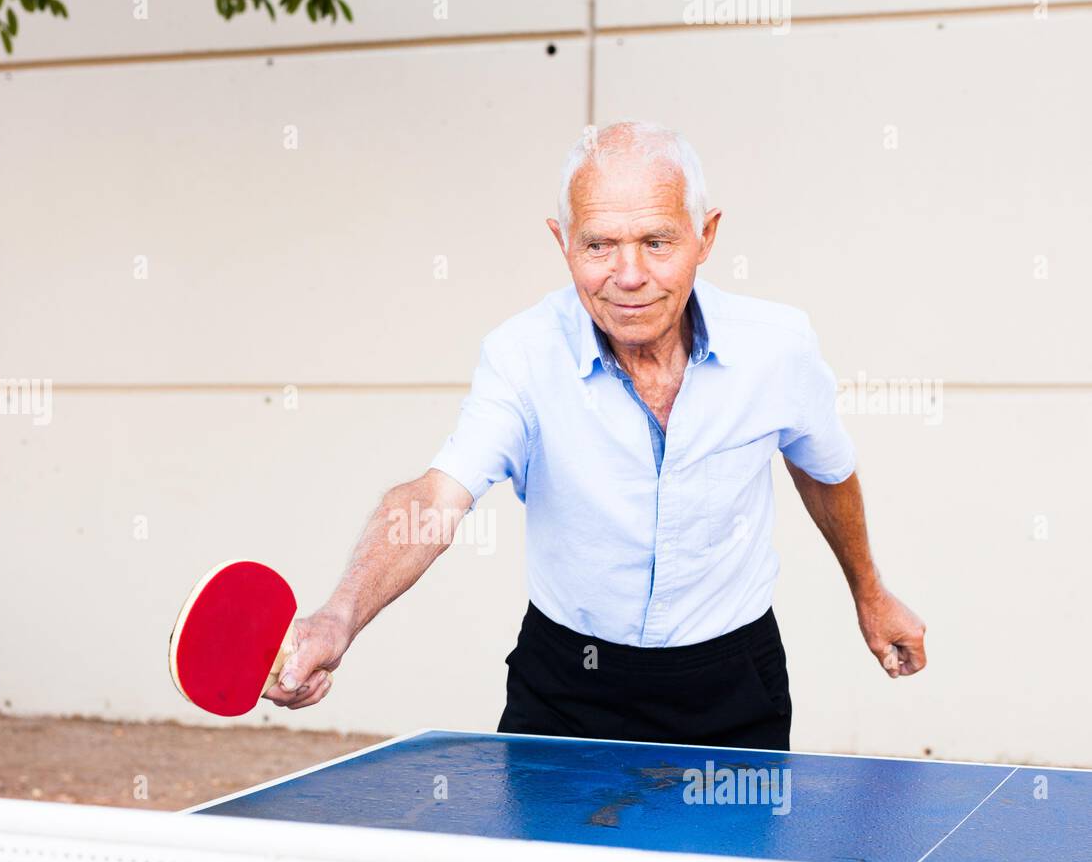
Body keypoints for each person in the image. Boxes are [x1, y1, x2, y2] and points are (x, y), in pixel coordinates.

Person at [263, 120, 926, 750]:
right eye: (598, 244)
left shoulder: (778, 348)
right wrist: (339, 615)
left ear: (706, 234)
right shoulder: (521, 355)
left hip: (731, 684)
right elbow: (436, 500)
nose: (629, 275)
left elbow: (824, 471)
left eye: (657, 242)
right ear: (563, 241)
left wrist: (870, 591)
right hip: (566, 689)